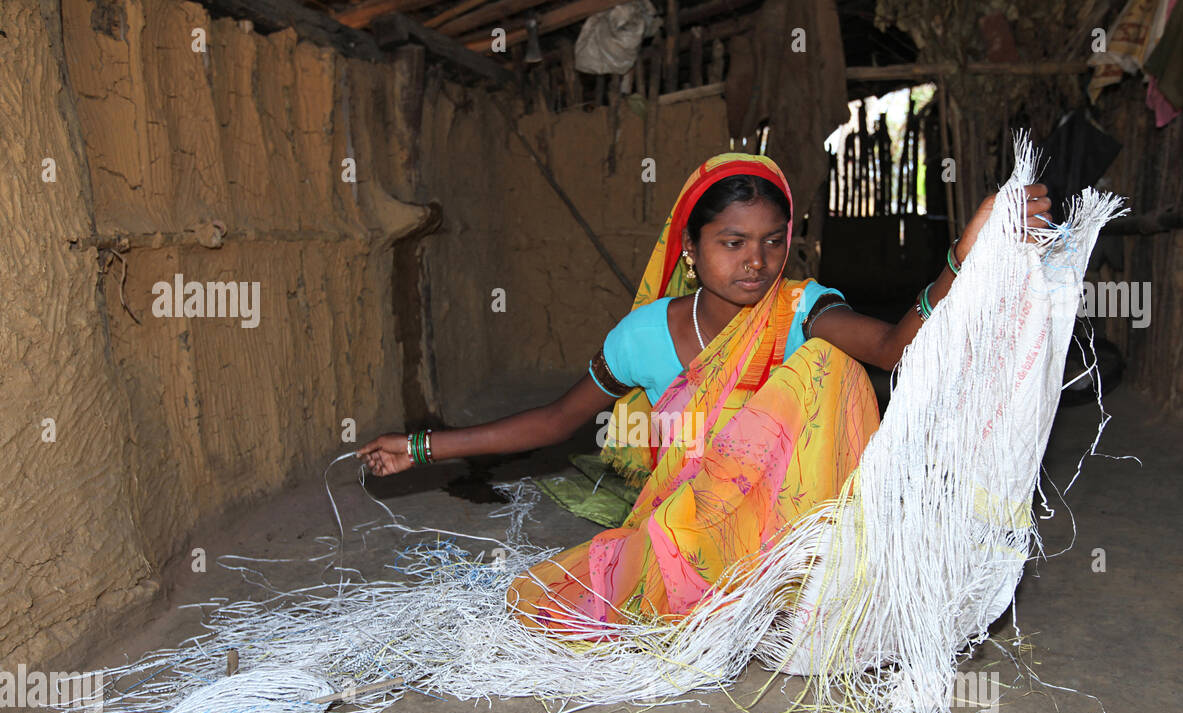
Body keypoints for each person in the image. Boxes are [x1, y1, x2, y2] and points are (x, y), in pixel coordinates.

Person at [358, 153, 1052, 635]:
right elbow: (554, 420)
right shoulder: (642, 338)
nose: (756, 261)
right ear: (689, 248)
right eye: (732, 242)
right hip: (688, 531)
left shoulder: (801, 307)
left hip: (787, 534)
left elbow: (894, 349)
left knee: (829, 367)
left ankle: (797, 585)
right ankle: (734, 596)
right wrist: (422, 445)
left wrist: (968, 255)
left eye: (773, 242)